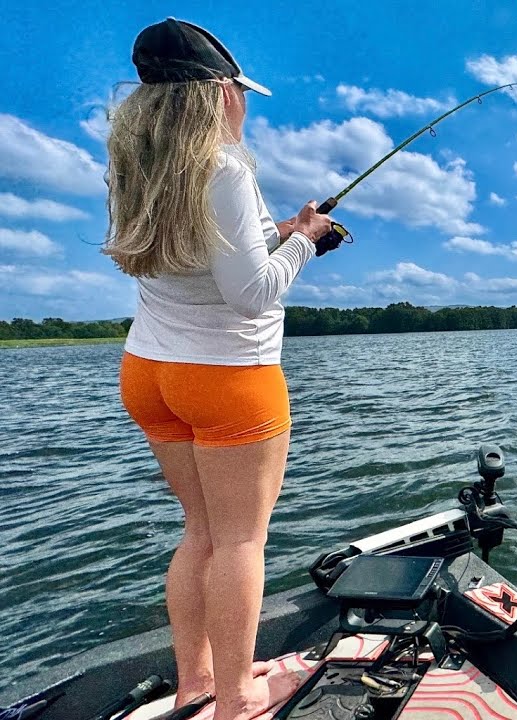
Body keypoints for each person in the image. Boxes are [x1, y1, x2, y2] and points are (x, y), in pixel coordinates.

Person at [102, 18, 334, 720]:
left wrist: (280, 231)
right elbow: (252, 292)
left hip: (150, 373)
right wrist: (307, 242)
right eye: (240, 92)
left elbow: (205, 253)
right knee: (239, 541)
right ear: (218, 93)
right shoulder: (225, 168)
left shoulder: (134, 166)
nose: (244, 105)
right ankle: (236, 698)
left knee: (200, 533)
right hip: (228, 378)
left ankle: (197, 683)